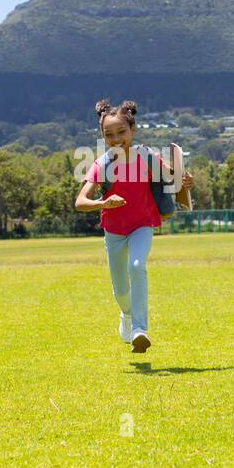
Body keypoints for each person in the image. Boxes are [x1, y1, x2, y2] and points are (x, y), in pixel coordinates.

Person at [74, 98, 193, 353]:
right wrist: (103, 203)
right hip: (114, 230)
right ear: (102, 136)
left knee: (137, 266)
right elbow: (81, 201)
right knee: (120, 292)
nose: (116, 139)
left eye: (121, 132)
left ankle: (140, 329)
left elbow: (174, 180)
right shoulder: (102, 165)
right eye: (109, 135)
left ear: (133, 131)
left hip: (142, 224)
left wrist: (186, 182)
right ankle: (127, 315)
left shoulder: (148, 157)